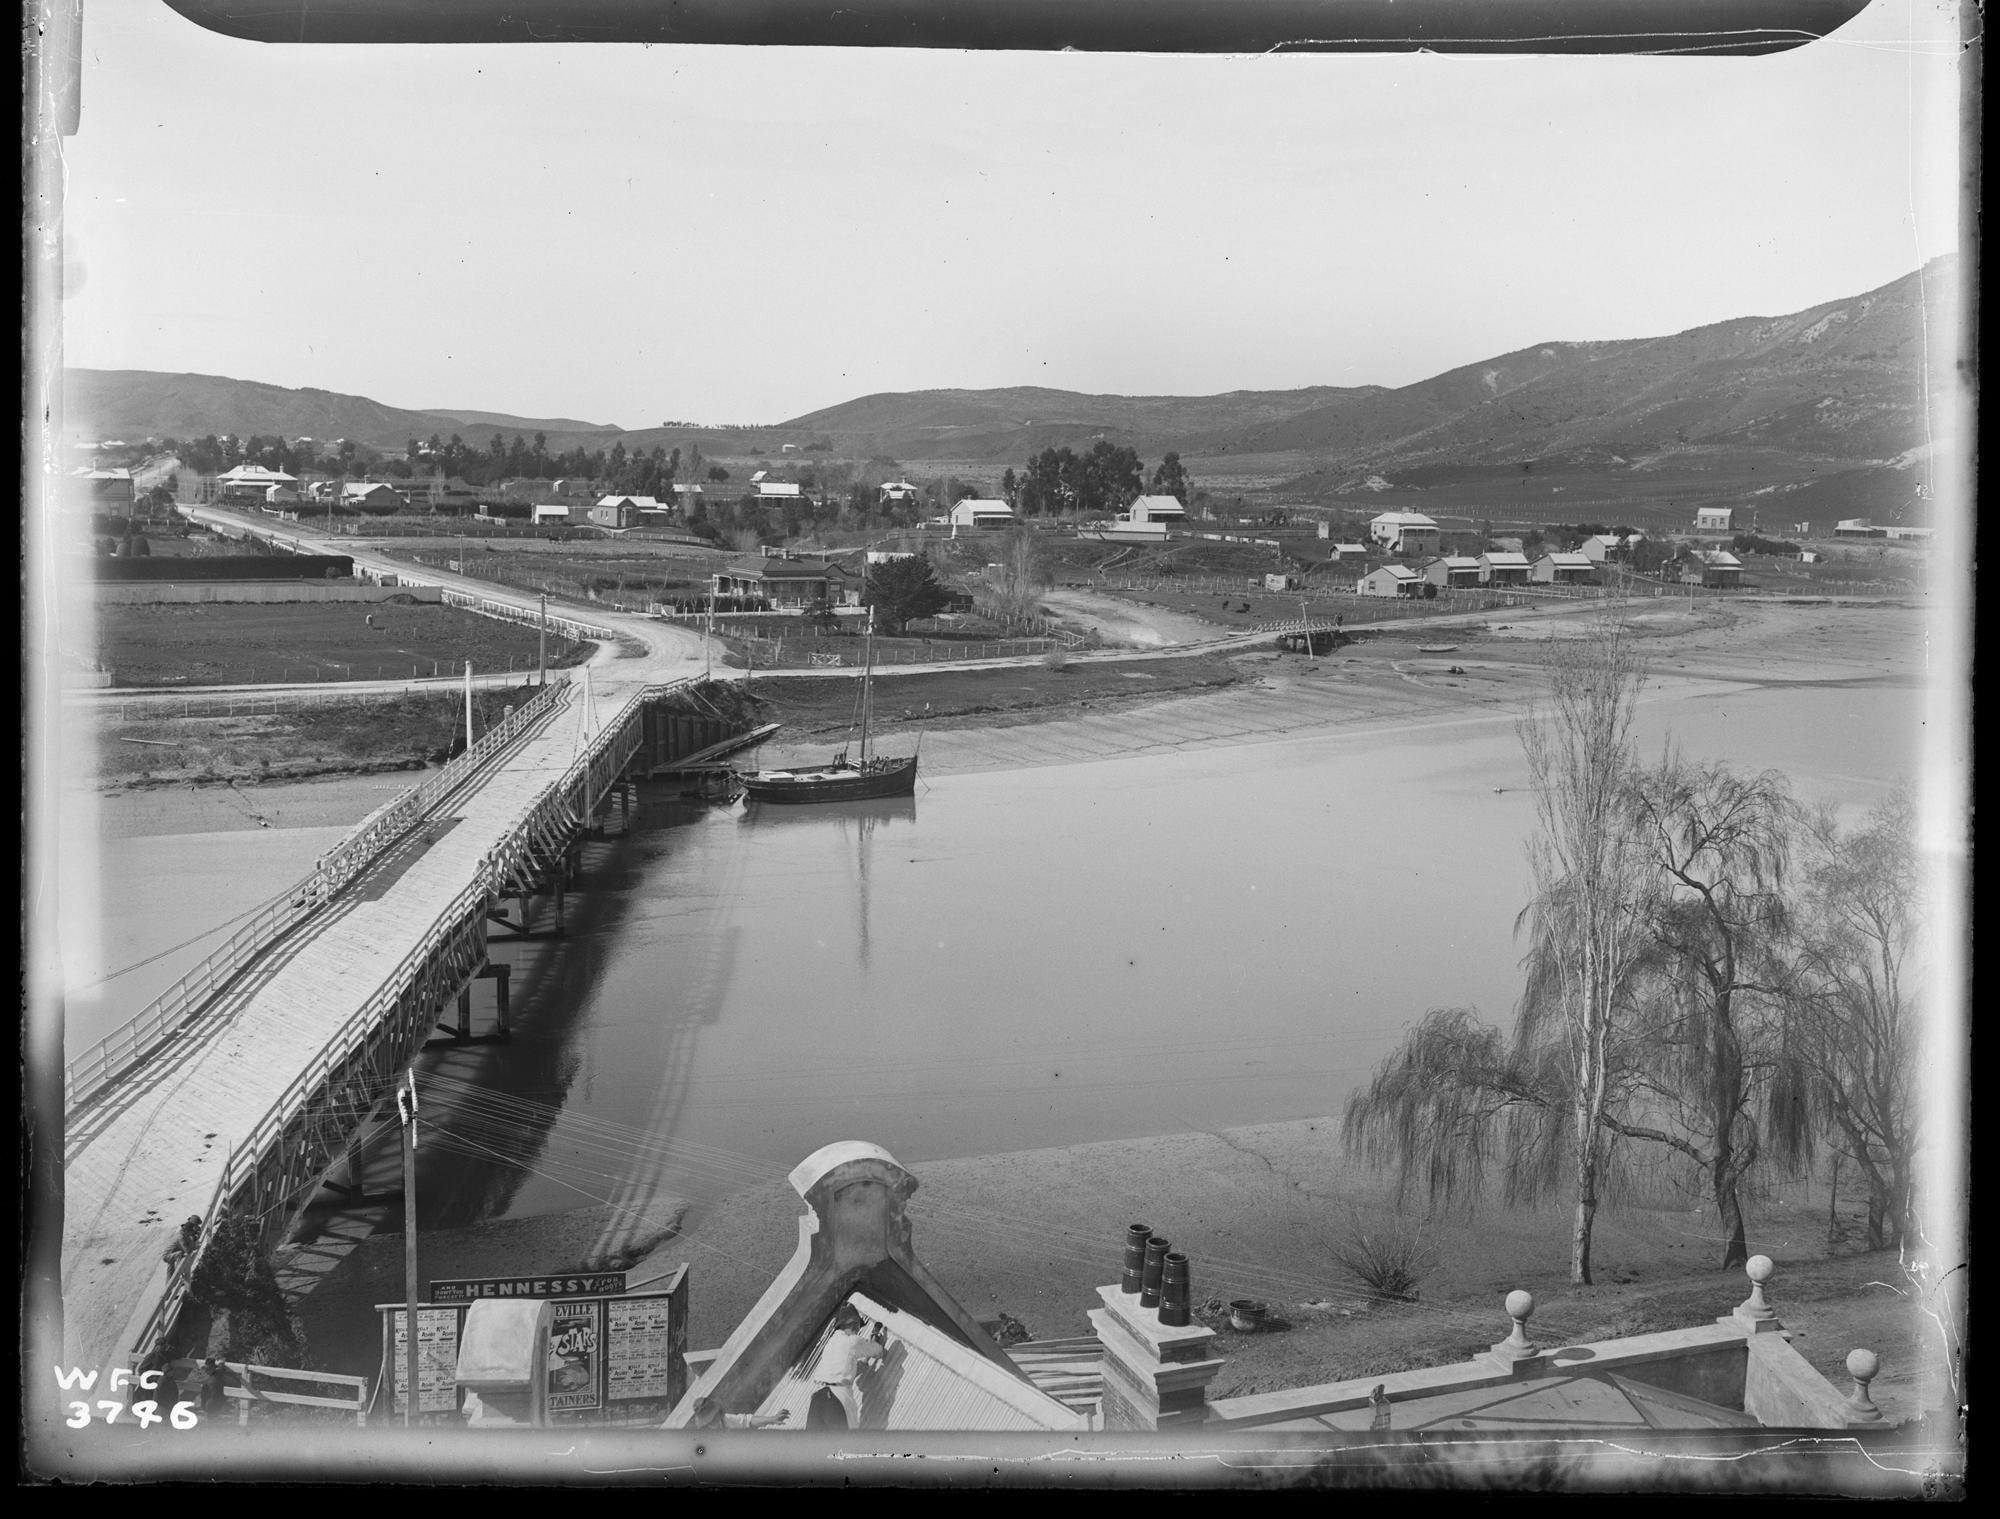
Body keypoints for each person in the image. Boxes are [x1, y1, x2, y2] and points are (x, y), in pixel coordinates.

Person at [808, 1305, 886, 1429]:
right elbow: (878, 1351)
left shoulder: (831, 1344)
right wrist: (878, 1342)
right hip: (837, 1398)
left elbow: (845, 1368)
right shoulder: (852, 1341)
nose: (858, 1330)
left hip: (817, 1399)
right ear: (854, 1324)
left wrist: (864, 1360)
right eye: (858, 1327)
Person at [690, 1395, 788, 1431]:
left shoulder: (725, 1420)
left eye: (716, 1414)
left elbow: (747, 1421)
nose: (716, 1418)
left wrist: (771, 1419)